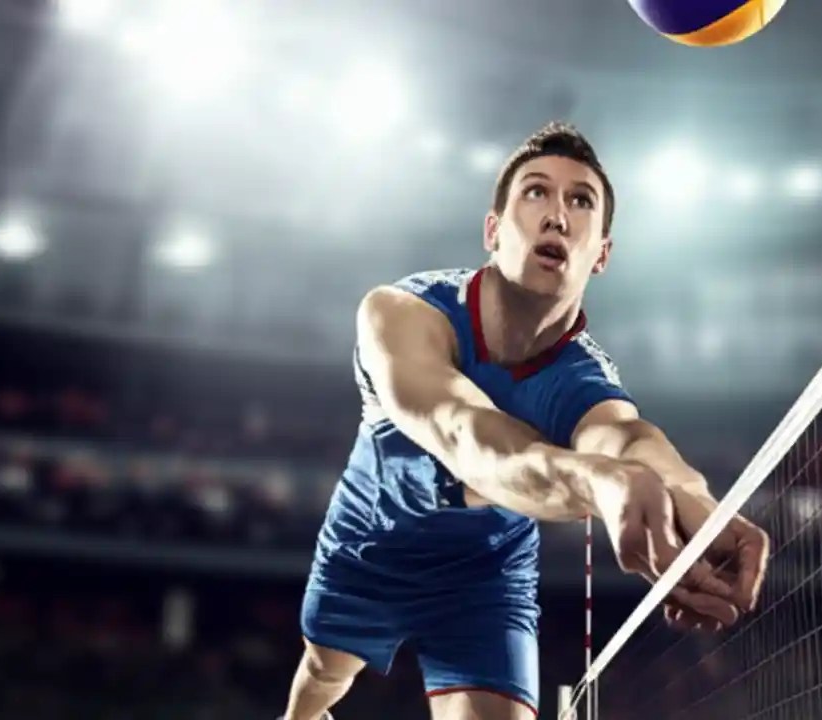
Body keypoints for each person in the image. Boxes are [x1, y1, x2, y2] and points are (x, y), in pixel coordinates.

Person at [282, 122, 770, 720]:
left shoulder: (581, 377)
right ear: (493, 230)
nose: (557, 216)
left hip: (485, 577)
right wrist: (597, 484)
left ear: (602, 255)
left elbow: (627, 439)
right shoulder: (400, 313)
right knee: (324, 670)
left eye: (580, 201)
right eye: (536, 193)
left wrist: (694, 499)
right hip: (373, 542)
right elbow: (471, 435)